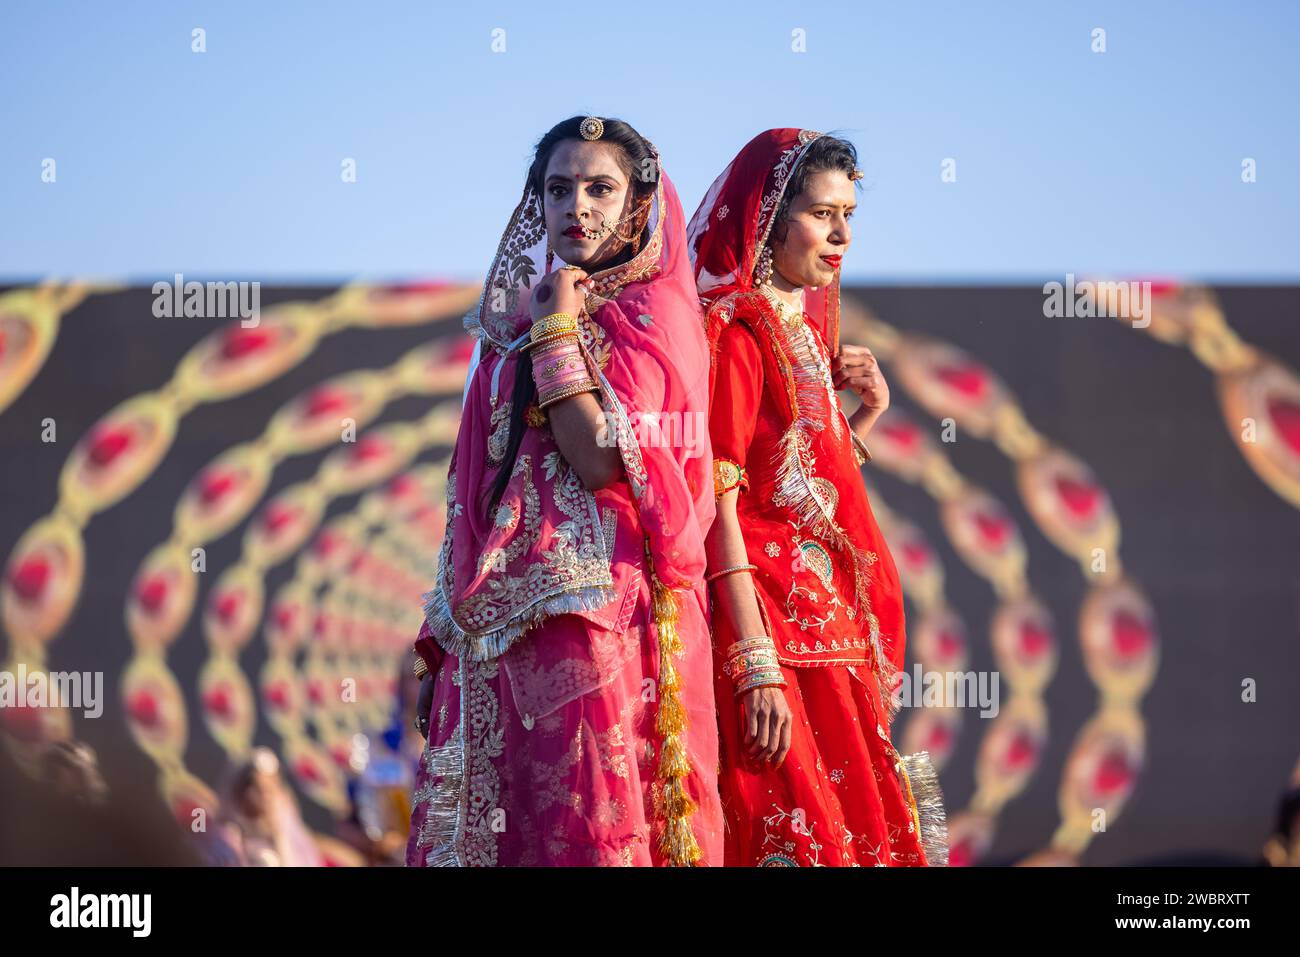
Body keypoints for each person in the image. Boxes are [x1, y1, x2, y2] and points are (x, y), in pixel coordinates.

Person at [406, 116, 723, 867]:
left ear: (638, 205)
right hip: (488, 633)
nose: (576, 206)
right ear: (536, 205)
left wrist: (557, 332)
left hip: (594, 623)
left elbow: (601, 461)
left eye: (600, 188)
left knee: (585, 835)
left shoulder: (654, 315)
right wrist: (439, 642)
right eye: (558, 188)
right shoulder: (510, 328)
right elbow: (470, 497)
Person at [687, 128, 948, 866]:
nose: (840, 235)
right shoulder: (739, 334)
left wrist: (862, 418)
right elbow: (720, 501)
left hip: (828, 644)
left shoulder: (797, 330)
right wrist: (754, 659)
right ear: (770, 217)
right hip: (777, 641)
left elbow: (798, 491)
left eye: (850, 215)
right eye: (821, 213)